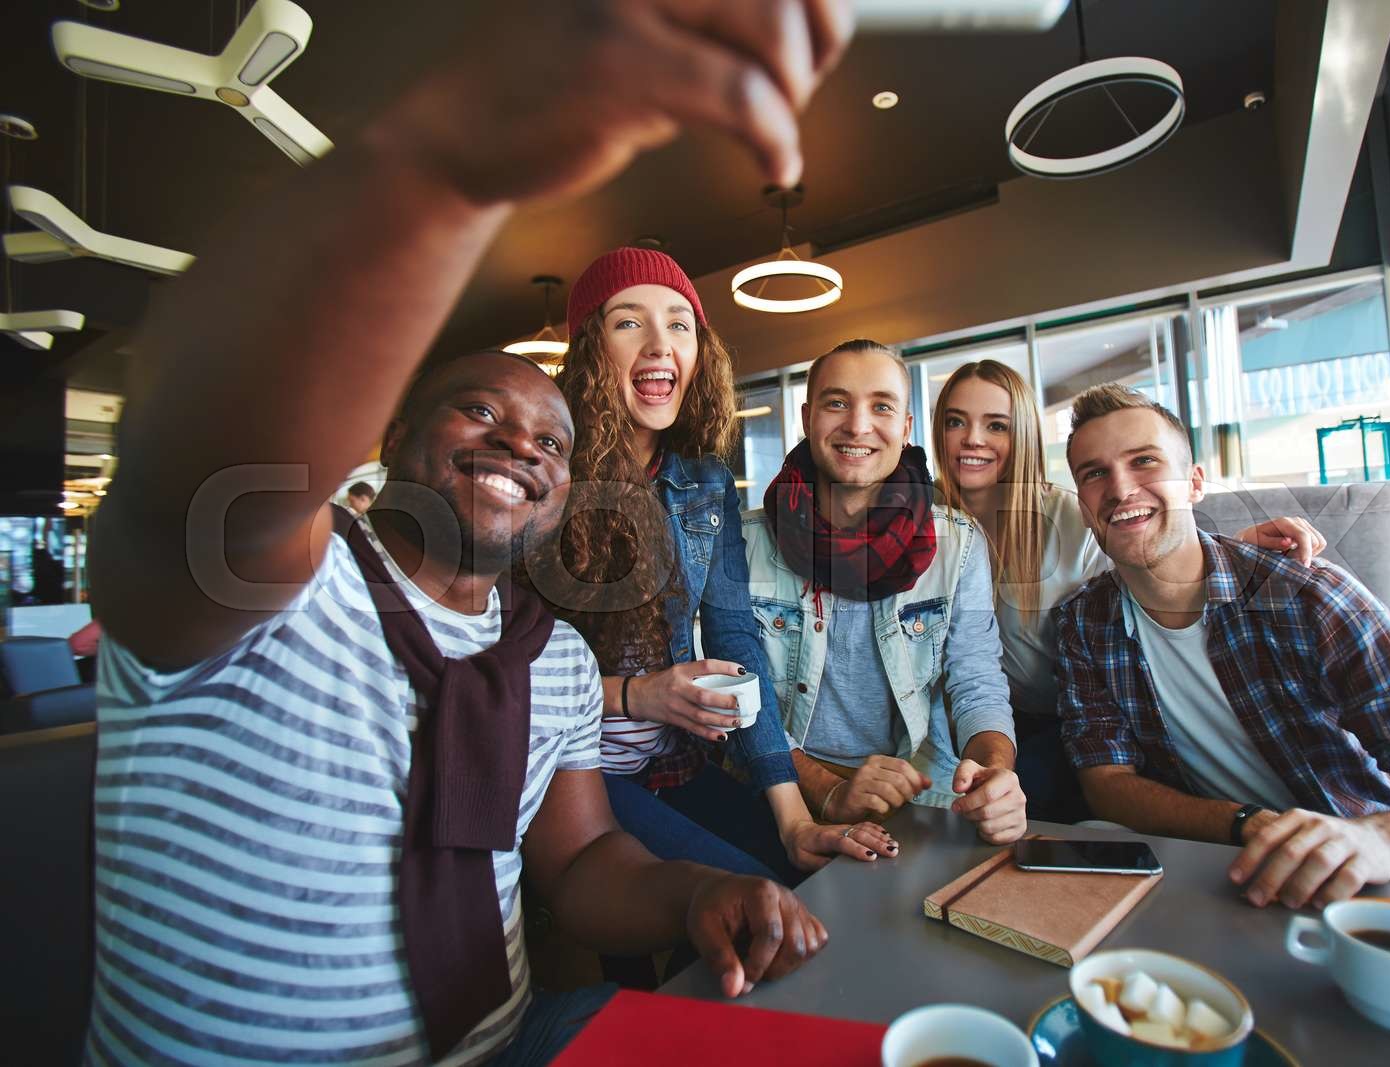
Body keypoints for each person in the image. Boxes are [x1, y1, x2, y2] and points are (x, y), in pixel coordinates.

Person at [84, 2, 854, 1063]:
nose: (524, 445)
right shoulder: (277, 580)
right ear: (391, 435)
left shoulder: (551, 661)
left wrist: (699, 890)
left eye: (549, 440)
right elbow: (197, 469)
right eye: (481, 413)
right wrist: (437, 164)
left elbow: (582, 860)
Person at [1055, 384, 1390, 909]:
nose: (1121, 488)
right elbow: (1107, 783)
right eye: (1095, 473)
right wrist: (1250, 825)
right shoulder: (1085, 622)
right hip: (1220, 862)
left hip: (1366, 855)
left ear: (1194, 484)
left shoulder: (1309, 596)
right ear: (1083, 504)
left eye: (1144, 462)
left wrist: (1377, 842)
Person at [542, 247, 892, 887]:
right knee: (740, 899)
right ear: (591, 349)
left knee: (803, 879)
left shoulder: (704, 482)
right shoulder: (545, 479)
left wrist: (791, 816)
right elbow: (508, 682)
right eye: (628, 322)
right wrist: (640, 695)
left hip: (672, 759)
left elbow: (735, 637)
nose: (658, 344)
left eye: (679, 324)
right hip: (571, 774)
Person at [930, 360, 1326, 821]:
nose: (973, 439)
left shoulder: (1074, 518)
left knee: (1026, 792)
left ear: (1023, 438)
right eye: (956, 421)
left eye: (996, 425)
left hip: (1077, 720)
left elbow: (1146, 566)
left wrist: (1232, 552)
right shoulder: (924, 519)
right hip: (968, 719)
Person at [744, 340, 1028, 845]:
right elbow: (739, 700)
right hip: (782, 790)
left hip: (921, 787)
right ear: (808, 419)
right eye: (837, 403)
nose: (858, 426)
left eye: (881, 406)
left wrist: (995, 772)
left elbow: (977, 681)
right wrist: (828, 788)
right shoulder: (744, 542)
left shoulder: (957, 543)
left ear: (905, 428)